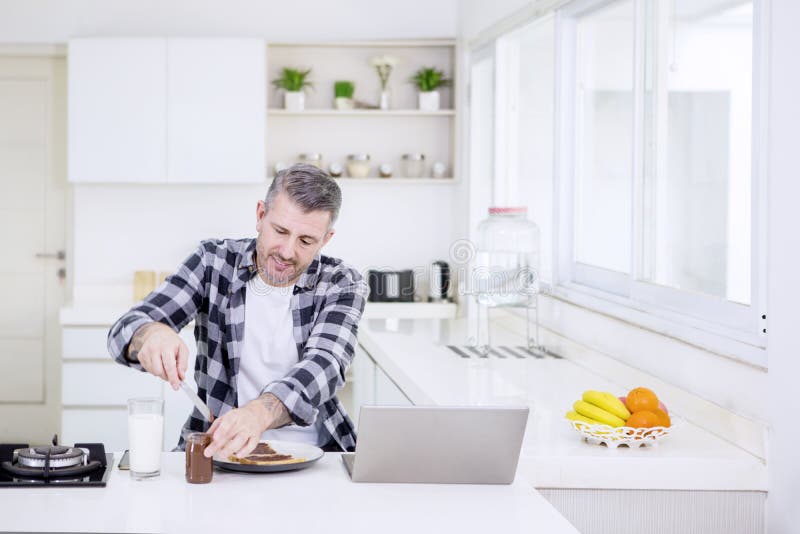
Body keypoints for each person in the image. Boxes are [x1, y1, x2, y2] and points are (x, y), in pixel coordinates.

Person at [107, 164, 368, 459]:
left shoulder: (342, 282)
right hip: (218, 451)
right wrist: (150, 333)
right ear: (260, 215)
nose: (286, 251)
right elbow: (123, 330)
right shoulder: (213, 263)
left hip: (316, 454)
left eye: (306, 241)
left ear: (326, 239)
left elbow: (327, 364)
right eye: (280, 231)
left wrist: (258, 414)